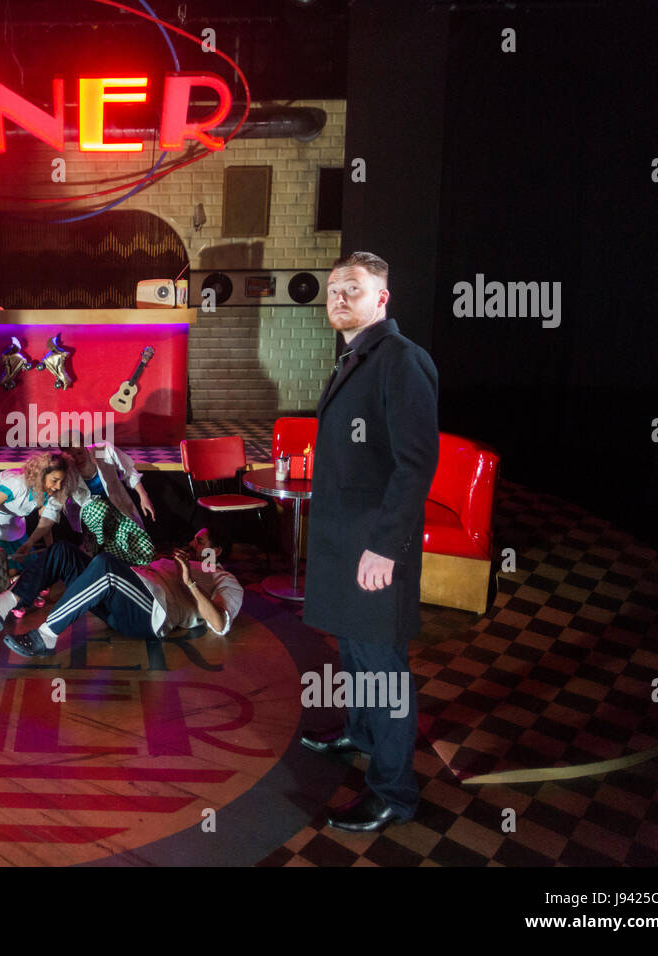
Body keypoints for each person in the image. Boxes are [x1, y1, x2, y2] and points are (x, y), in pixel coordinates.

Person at [300, 252, 439, 833]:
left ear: (382, 297)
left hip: (375, 550)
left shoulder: (401, 361)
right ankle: (359, 732)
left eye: (351, 288)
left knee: (384, 669)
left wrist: (385, 547)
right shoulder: (356, 356)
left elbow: (415, 465)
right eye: (333, 289)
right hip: (343, 545)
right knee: (355, 655)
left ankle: (392, 792)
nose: (338, 298)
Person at [0, 527, 242, 658]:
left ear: (215, 551)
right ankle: (1, 605)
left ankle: (45, 637)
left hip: (152, 615)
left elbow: (220, 625)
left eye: (200, 540)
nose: (192, 542)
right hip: (126, 599)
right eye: (194, 537)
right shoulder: (178, 560)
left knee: (104, 566)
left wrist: (189, 582)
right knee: (64, 551)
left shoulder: (225, 579)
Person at [0, 450, 76, 567]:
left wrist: (47, 548)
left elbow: (45, 522)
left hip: (10, 520)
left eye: (62, 481)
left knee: (22, 560)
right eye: (55, 480)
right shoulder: (16, 484)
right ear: (42, 476)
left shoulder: (53, 492)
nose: (58, 486)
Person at [64, 441, 158, 565]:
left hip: (117, 511)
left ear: (85, 446)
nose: (78, 459)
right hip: (93, 517)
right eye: (72, 456)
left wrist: (143, 496)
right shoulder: (66, 468)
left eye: (80, 453)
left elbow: (129, 471)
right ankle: (94, 547)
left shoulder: (103, 451)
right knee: (100, 509)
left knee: (147, 553)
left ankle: (118, 556)